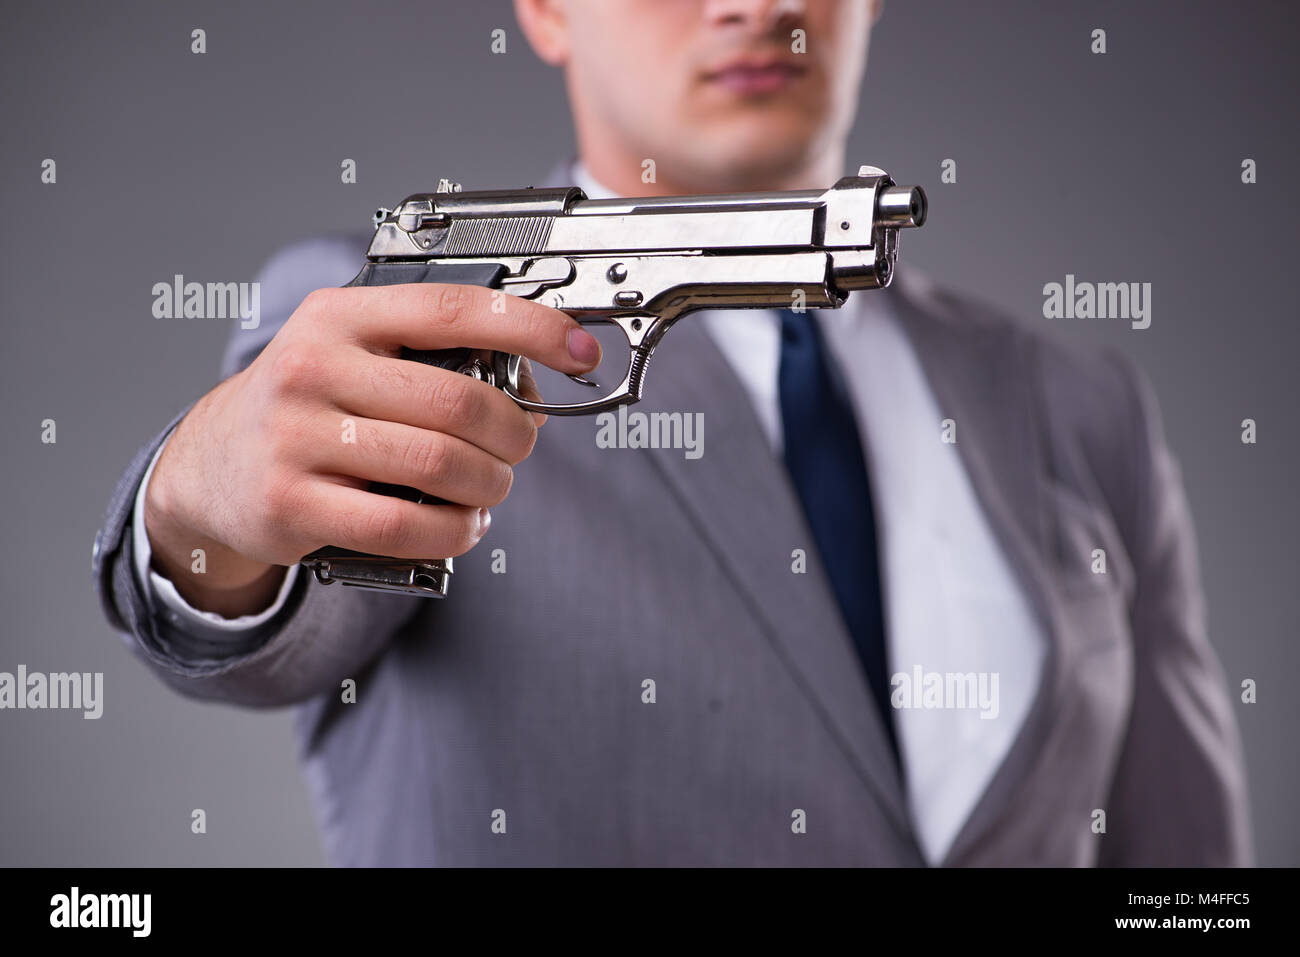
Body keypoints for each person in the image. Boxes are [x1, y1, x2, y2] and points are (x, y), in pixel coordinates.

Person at [92, 0, 1252, 866]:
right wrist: (199, 516)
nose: (753, 4)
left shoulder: (1074, 402)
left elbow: (1185, 869)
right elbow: (274, 616)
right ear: (544, 11)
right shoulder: (399, 312)